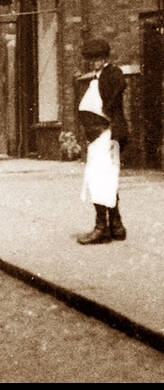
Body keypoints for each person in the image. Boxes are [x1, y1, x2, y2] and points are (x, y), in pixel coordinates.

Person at [76, 38, 128, 245]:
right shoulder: (97, 77)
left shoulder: (111, 73)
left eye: (98, 58)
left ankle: (101, 228)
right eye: (92, 59)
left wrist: (106, 112)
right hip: (98, 136)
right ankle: (116, 225)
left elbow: (117, 89)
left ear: (105, 58)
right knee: (106, 179)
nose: (95, 62)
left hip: (107, 134)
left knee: (98, 179)